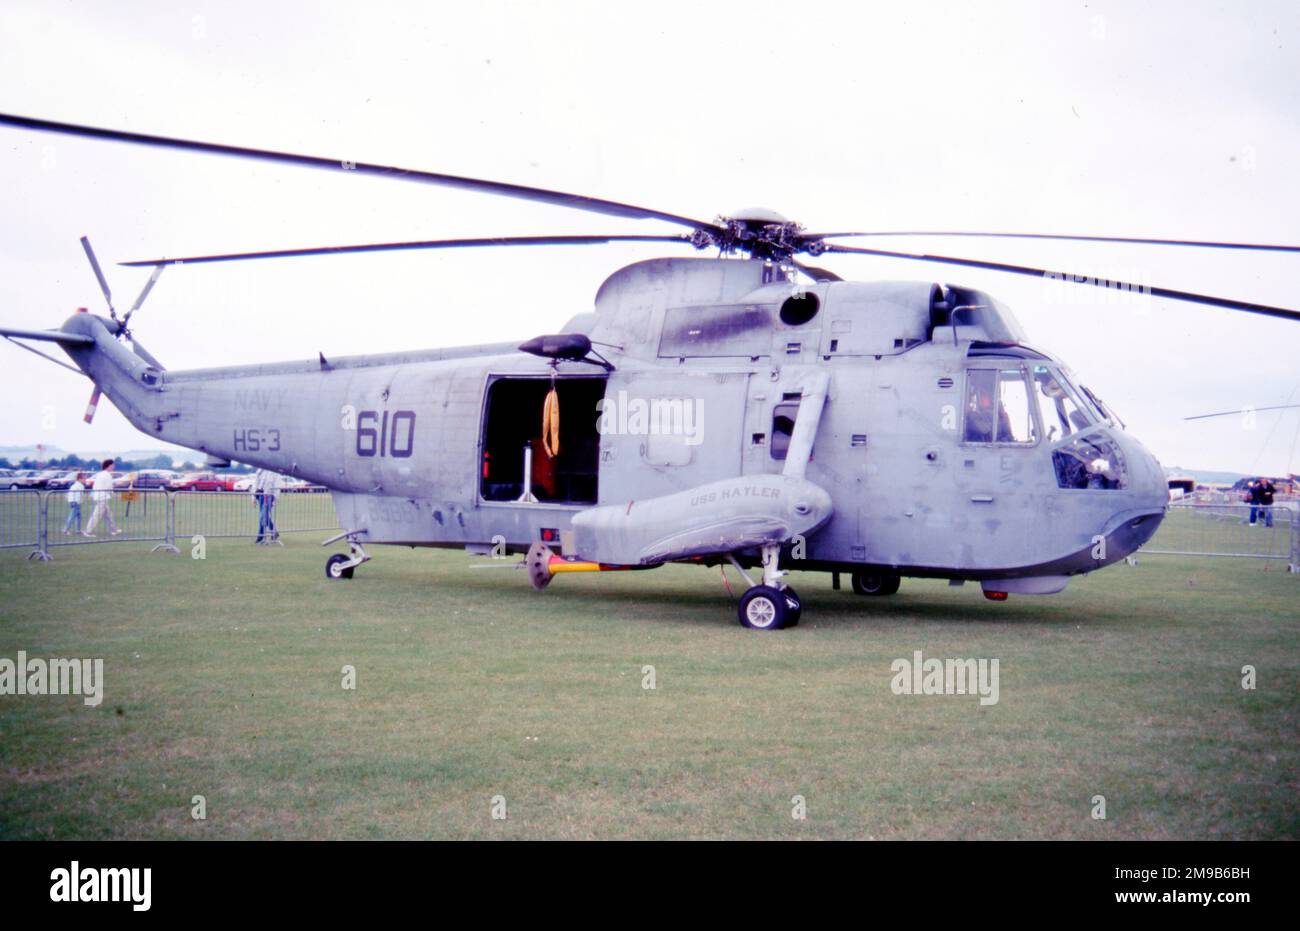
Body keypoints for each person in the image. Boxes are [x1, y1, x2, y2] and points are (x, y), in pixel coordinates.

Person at [82, 459, 121, 537]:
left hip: (99, 496)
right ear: (109, 466)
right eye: (113, 465)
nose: (114, 466)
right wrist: (118, 485)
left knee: (108, 515)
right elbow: (109, 487)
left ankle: (114, 530)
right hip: (102, 497)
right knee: (97, 515)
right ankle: (88, 531)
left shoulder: (100, 474)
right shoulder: (107, 475)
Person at [253, 468, 283, 544]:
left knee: (263, 516)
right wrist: (253, 497)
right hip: (259, 495)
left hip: (269, 495)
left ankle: (260, 536)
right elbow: (255, 484)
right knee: (264, 516)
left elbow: (277, 487)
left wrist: (275, 499)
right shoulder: (260, 470)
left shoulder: (275, 472)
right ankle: (274, 532)